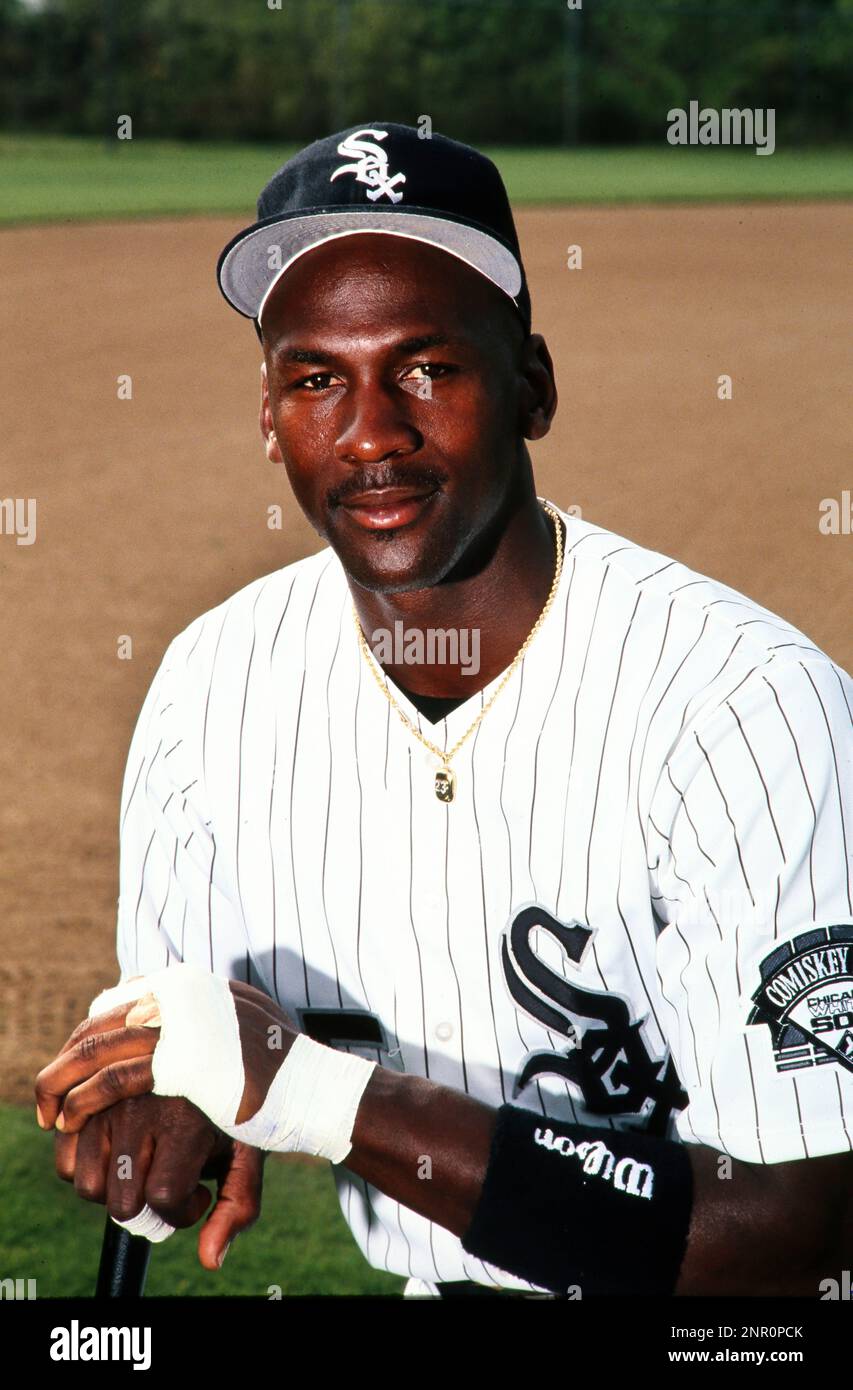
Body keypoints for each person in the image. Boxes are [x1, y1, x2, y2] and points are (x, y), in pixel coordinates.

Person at [36, 123, 852, 1296]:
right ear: (268, 418)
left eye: (427, 368)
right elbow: (182, 1050)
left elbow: (791, 1234)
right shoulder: (208, 691)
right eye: (317, 378)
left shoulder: (746, 710)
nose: (372, 432)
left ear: (533, 385)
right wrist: (161, 1105)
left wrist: (311, 1094)